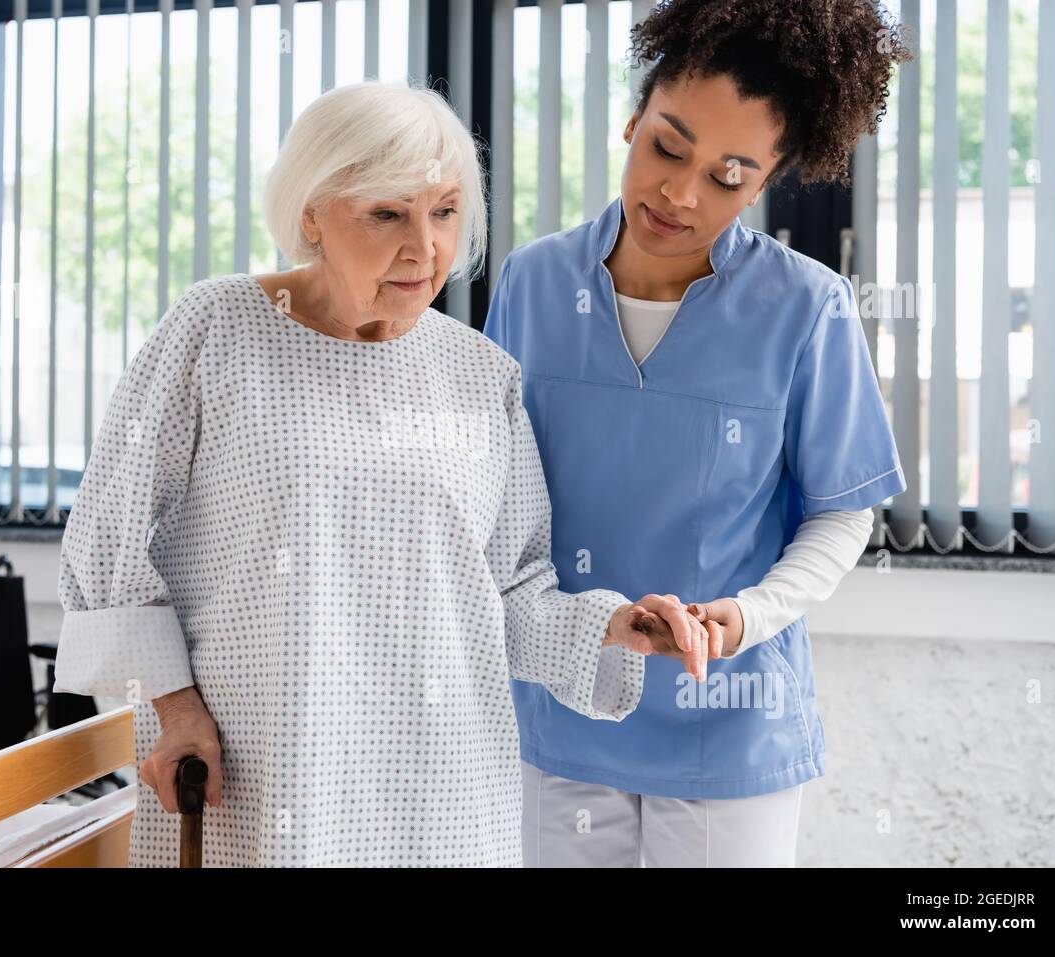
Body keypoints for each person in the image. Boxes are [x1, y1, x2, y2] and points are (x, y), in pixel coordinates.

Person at [53, 81, 708, 867]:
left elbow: (507, 592)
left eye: (444, 211)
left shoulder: (481, 374)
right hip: (262, 777)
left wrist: (609, 624)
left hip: (448, 793)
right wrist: (175, 706)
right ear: (311, 215)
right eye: (386, 213)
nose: (425, 248)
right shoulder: (216, 330)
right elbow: (105, 541)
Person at [483, 0, 912, 867]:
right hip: (560, 705)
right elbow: (492, 496)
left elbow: (841, 510)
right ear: (634, 120)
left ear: (767, 182)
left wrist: (747, 618)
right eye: (668, 146)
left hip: (731, 715)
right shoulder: (532, 285)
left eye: (728, 176)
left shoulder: (808, 307)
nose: (680, 193)